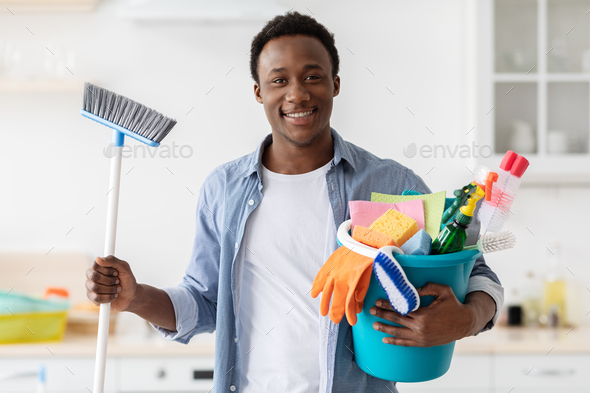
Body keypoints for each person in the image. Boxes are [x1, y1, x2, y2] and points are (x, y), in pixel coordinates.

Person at [86, 11, 504, 393]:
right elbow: (206, 303)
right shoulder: (223, 190)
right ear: (258, 92)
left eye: (312, 77)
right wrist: (136, 297)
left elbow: (478, 272)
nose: (297, 94)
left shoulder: (391, 184)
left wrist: (465, 320)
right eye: (279, 80)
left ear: (336, 84)